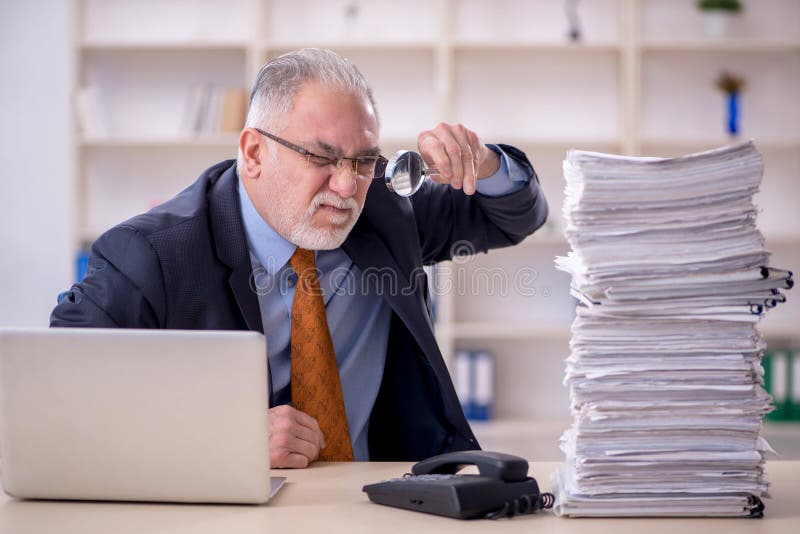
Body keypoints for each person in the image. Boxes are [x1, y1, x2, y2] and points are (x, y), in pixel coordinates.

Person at [51, 48, 548, 467]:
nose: (346, 186)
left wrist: (484, 163)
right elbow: (63, 400)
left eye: (363, 160)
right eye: (321, 157)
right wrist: (222, 437)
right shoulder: (149, 255)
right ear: (253, 153)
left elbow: (515, 216)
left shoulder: (385, 210)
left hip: (378, 502)